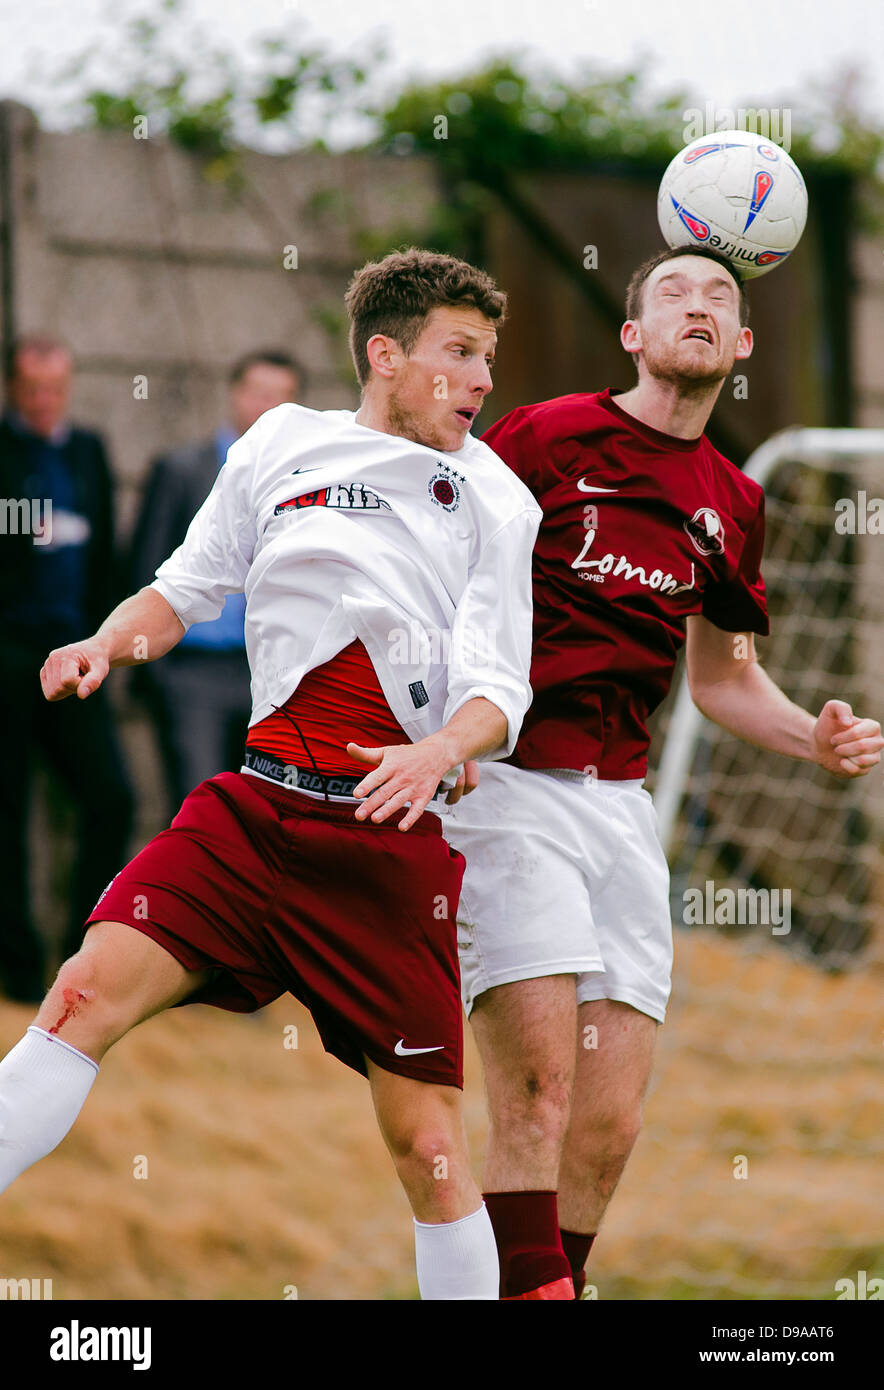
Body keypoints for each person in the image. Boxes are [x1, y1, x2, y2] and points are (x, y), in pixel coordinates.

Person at [0, 249, 542, 1300]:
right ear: (386, 355)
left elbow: (499, 691)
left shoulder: (494, 500)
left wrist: (440, 750)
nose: (482, 380)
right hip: (251, 812)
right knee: (76, 997)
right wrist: (105, 646)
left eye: (490, 358)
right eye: (460, 354)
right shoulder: (281, 443)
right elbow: (184, 586)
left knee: (426, 1146)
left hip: (385, 845)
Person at [441, 247, 884, 1299]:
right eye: (672, 293)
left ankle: (550, 1281)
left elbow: (724, 679)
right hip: (506, 791)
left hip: (618, 810)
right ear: (631, 336)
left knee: (607, 1118)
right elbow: (441, 569)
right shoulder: (542, 439)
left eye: (720, 299)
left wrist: (807, 738)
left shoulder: (729, 498)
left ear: (736, 348)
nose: (699, 305)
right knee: (537, 1095)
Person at [0, 334, 134, 1001]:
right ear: (12, 388)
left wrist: (104, 644)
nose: (46, 401)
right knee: (6, 812)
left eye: (56, 388)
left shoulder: (89, 452)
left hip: (74, 654)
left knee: (112, 797)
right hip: (8, 657)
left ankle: (84, 954)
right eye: (33, 389)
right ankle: (17, 970)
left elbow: (107, 549)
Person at [130, 350, 303, 817]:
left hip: (265, 676)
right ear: (235, 394)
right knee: (196, 810)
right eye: (259, 393)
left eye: (281, 398)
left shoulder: (302, 482)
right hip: (192, 672)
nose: (267, 408)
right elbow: (145, 564)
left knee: (261, 815)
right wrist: (156, 676)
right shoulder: (182, 469)